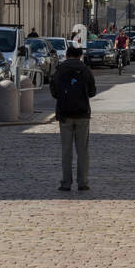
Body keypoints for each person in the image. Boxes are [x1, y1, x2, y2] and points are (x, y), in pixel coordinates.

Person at [49, 44, 96, 193]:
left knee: (66, 151)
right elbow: (92, 92)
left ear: (67, 55)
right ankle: (83, 182)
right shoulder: (85, 69)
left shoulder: (60, 69)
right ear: (80, 55)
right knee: (82, 150)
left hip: (65, 113)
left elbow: (54, 91)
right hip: (82, 113)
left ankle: (66, 183)